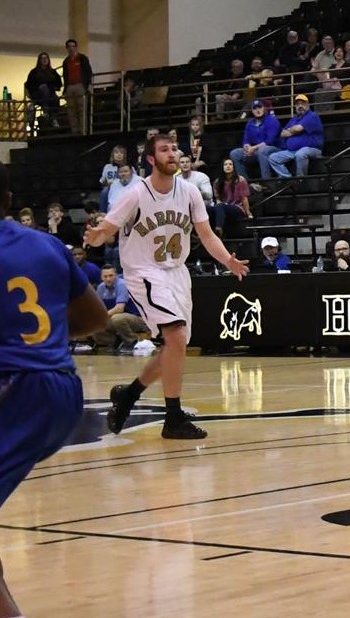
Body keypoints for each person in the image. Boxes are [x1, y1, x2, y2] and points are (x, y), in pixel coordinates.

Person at [0, 162, 110, 617]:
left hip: (16, 388)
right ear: (9, 200)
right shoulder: (46, 244)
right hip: (62, 389)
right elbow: (96, 319)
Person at [89, 138, 247, 440]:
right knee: (174, 336)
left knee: (176, 346)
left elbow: (206, 234)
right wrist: (95, 237)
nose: (172, 154)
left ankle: (129, 394)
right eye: (165, 150)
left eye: (175, 149)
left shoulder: (189, 192)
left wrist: (228, 260)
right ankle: (173, 417)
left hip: (177, 273)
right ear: (150, 159)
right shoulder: (136, 194)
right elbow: (105, 231)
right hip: (143, 272)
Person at [267, 93, 324, 177]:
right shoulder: (294, 119)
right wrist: (293, 130)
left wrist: (290, 131)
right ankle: (287, 178)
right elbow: (282, 134)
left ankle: (300, 179)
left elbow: (298, 129)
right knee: (273, 157)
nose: (300, 106)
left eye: (303, 103)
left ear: (308, 105)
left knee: (300, 154)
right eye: (297, 104)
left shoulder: (312, 115)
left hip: (313, 149)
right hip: (293, 150)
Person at [230, 99, 280, 180]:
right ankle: (244, 182)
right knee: (234, 153)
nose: (257, 110)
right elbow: (245, 139)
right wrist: (247, 147)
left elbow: (270, 141)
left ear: (263, 108)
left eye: (259, 107)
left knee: (262, 150)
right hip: (254, 150)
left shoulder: (272, 120)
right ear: (252, 111)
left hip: (272, 149)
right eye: (255, 108)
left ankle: (267, 181)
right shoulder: (250, 122)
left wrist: (253, 148)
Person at [61, 39, 93, 133]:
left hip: (80, 85)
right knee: (71, 110)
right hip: (70, 86)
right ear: (67, 48)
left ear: (76, 47)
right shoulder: (66, 61)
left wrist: (88, 85)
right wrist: (65, 89)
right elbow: (65, 76)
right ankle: (75, 131)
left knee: (82, 109)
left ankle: (83, 131)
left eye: (73, 46)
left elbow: (88, 72)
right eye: (69, 46)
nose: (71, 48)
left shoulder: (82, 58)